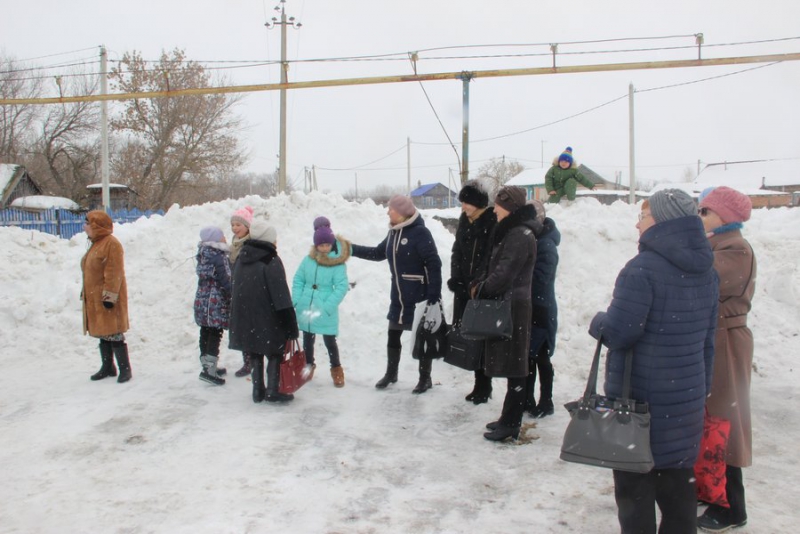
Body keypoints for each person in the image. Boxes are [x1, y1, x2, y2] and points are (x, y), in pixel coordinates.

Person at [588, 189, 719, 533]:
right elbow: (708, 340)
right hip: (684, 401)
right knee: (678, 492)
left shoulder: (641, 269)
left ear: (662, 220)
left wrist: (598, 322)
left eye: (643, 216)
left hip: (640, 406)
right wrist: (700, 390)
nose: (637, 224)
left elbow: (620, 332)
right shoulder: (707, 270)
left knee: (635, 494)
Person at [696, 186, 756, 532]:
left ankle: (733, 506)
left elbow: (705, 279)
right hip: (714, 339)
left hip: (727, 342)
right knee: (709, 419)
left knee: (725, 422)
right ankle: (710, 489)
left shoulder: (735, 247)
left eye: (706, 211)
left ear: (726, 216)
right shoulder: (715, 244)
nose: (700, 216)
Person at [351, 195, 443, 394]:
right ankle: (391, 373)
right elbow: (377, 253)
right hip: (399, 296)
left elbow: (434, 264)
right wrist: (350, 249)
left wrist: (434, 295)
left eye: (391, 209)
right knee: (393, 334)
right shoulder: (393, 233)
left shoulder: (420, 233)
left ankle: (425, 378)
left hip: (419, 295)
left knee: (422, 337)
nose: (387, 212)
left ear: (401, 213)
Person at [475, 186, 539, 441]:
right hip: (511, 303)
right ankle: (507, 418)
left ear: (510, 208)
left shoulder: (519, 235)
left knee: (516, 365)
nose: (495, 210)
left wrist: (482, 288)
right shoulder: (515, 232)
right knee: (514, 363)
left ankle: (511, 423)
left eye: (498, 206)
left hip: (514, 306)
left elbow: (504, 273)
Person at [229, 221, 299, 403]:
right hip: (268, 316)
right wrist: (290, 324)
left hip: (245, 316)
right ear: (269, 239)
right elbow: (281, 295)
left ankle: (257, 390)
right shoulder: (270, 260)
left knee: (255, 350)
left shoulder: (241, 258)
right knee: (275, 351)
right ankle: (273, 391)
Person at [448, 180, 497, 405]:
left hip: (481, 288)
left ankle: (484, 384)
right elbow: (456, 251)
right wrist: (456, 278)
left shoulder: (491, 220)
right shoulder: (464, 221)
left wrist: (478, 282)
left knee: (482, 335)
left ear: (477, 203)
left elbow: (489, 256)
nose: (463, 206)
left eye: (466, 202)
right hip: (463, 287)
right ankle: (478, 382)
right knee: (469, 334)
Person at [292, 220, 351, 388]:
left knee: (330, 341)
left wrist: (327, 306)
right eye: (321, 245)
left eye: (327, 245)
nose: (324, 248)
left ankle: (336, 369)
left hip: (325, 308)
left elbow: (341, 287)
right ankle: (308, 366)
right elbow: (298, 279)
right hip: (307, 305)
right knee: (307, 340)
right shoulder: (308, 260)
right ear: (316, 245)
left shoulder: (337, 263)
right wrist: (297, 300)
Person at [82, 210, 133, 383]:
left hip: (108, 298)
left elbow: (114, 272)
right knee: (103, 332)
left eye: (87, 223)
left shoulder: (111, 244)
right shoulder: (96, 243)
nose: (84, 227)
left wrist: (110, 297)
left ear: (96, 226)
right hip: (95, 297)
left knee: (114, 332)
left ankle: (125, 369)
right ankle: (108, 366)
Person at [524, 199, 561, 418]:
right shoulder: (535, 239)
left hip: (542, 308)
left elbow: (541, 278)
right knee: (528, 355)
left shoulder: (546, 244)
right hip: (532, 306)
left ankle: (546, 401)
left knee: (541, 357)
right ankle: (527, 399)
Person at [194, 226, 231, 386]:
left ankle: (207, 364)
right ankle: (209, 370)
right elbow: (225, 279)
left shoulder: (203, 254)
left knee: (206, 330)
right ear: (215, 239)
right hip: (215, 301)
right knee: (215, 332)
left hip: (203, 300)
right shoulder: (218, 256)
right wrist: (232, 294)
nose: (224, 237)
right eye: (222, 235)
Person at [229, 205, 253, 378]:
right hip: (237, 290)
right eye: (233, 225)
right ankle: (248, 360)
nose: (235, 228)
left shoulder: (250, 244)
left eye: (238, 224)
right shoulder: (234, 244)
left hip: (249, 290)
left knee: (250, 327)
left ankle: (252, 360)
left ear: (247, 226)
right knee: (243, 327)